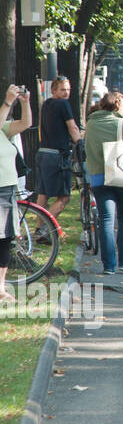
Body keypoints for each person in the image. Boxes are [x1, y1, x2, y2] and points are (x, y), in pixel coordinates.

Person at [84, 91, 123, 276]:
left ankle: (108, 266)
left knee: (106, 221)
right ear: (118, 105)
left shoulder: (91, 124)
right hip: (122, 177)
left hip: (99, 178)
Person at [32, 76, 82, 222]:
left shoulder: (46, 104)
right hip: (57, 156)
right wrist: (80, 142)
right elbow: (72, 127)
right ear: (54, 90)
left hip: (43, 153)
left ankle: (39, 228)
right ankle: (45, 228)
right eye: (63, 90)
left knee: (43, 194)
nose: (66, 93)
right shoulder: (63, 104)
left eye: (68, 90)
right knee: (64, 197)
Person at [0, 85, 33, 301]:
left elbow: (25, 124)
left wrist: (25, 102)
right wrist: (7, 102)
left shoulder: (3, 129)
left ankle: (0, 288)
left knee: (5, 240)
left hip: (7, 188)